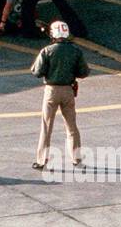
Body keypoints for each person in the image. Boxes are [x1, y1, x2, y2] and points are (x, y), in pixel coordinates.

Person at [30, 20, 89, 170]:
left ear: (53, 34)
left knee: (46, 126)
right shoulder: (76, 50)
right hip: (68, 91)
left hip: (51, 91)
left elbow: (36, 72)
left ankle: (42, 160)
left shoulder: (47, 51)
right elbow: (84, 72)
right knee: (71, 126)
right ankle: (76, 159)